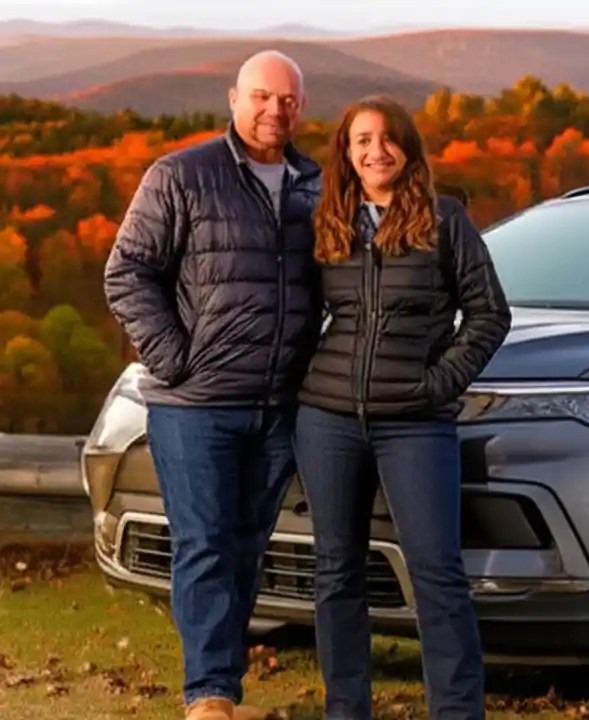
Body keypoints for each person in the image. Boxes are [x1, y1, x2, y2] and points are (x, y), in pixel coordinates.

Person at [102, 50, 323, 720]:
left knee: (249, 547)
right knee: (204, 543)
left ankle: (222, 687)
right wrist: (175, 358)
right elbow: (127, 271)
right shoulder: (181, 175)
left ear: (300, 108)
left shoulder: (314, 184)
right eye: (260, 96)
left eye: (286, 100)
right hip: (195, 406)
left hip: (278, 407)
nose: (272, 110)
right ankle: (208, 698)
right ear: (233, 99)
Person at [293, 94, 511, 720]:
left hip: (415, 422)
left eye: (387, 138)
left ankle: (457, 711)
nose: (375, 150)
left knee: (437, 572)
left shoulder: (444, 221)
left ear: (408, 147)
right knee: (338, 572)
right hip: (328, 420)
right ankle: (346, 709)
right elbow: (306, 318)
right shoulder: (329, 222)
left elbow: (490, 313)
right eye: (362, 140)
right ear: (346, 152)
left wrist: (441, 382)